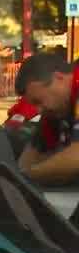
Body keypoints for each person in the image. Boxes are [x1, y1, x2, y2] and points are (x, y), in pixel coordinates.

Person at [14, 54, 79, 186]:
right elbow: (32, 154)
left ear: (59, 78)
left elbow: (75, 158)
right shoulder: (56, 109)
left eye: (39, 101)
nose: (38, 110)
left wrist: (25, 178)